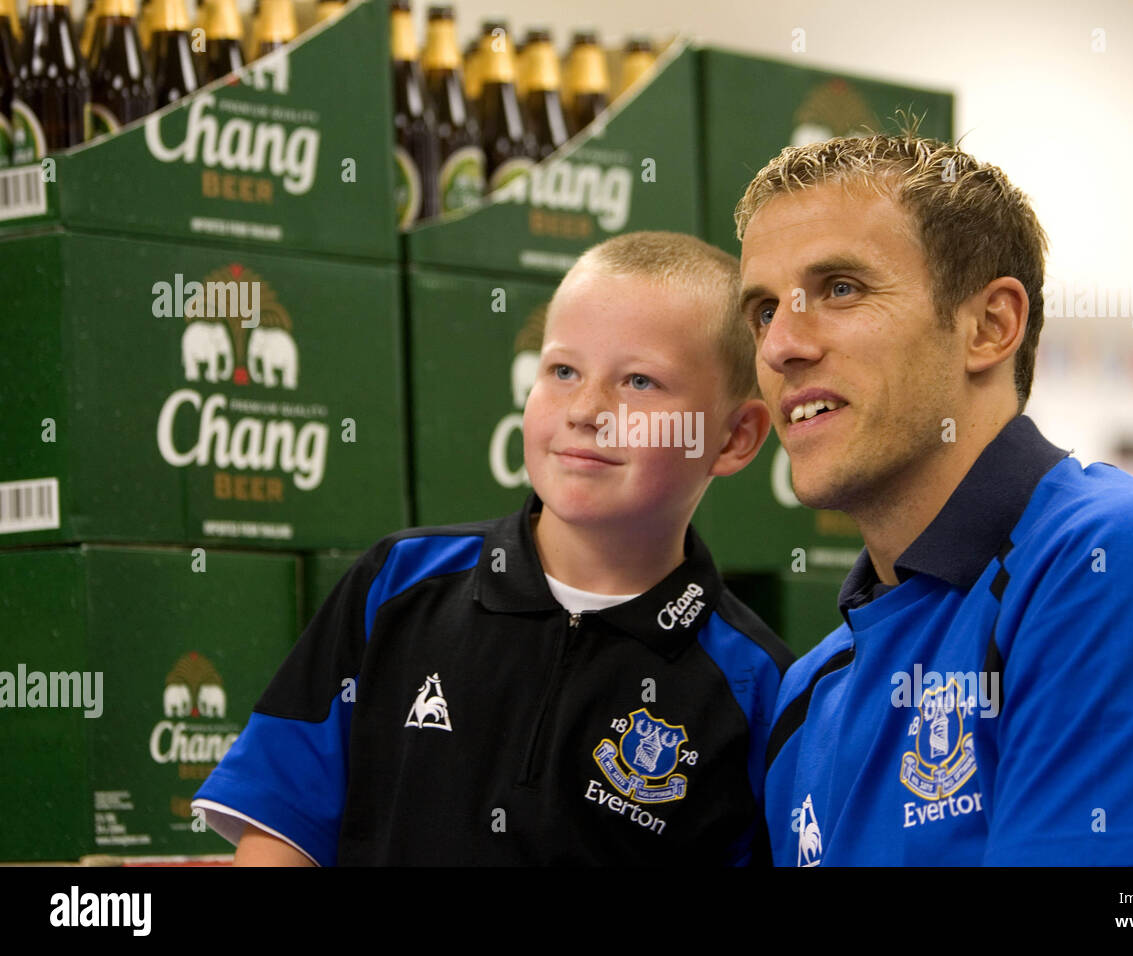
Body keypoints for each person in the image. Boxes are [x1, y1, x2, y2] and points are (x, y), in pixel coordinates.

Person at [736, 131, 1133, 865]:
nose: (781, 345)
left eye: (841, 289)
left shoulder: (1117, 555)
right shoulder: (809, 692)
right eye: (763, 312)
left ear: (991, 327)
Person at [192, 231, 793, 865]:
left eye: (640, 382)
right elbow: (281, 831)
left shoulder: (758, 686)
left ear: (734, 438)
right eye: (562, 370)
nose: (587, 409)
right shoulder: (397, 584)